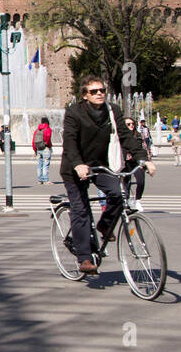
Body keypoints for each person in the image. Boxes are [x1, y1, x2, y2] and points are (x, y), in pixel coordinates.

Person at [60, 75, 153, 275]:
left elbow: (126, 136)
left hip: (101, 165)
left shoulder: (113, 110)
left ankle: (104, 226)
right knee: (81, 210)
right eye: (94, 91)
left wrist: (144, 160)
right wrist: (78, 164)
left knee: (118, 195)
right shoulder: (74, 112)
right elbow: (69, 141)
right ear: (85, 95)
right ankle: (85, 258)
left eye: (102, 90)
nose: (99, 94)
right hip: (75, 168)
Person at [123, 118, 150, 211]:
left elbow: (145, 148)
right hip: (124, 163)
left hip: (137, 162)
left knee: (141, 181)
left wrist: (147, 161)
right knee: (125, 182)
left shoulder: (138, 135)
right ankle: (126, 200)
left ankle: (138, 200)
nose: (131, 125)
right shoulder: (119, 136)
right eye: (128, 124)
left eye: (132, 123)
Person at [32, 116, 54, 184]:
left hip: (38, 149)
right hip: (45, 148)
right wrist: (49, 146)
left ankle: (40, 180)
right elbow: (48, 139)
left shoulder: (37, 130)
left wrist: (35, 150)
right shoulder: (48, 129)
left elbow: (33, 141)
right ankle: (46, 180)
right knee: (46, 165)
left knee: (39, 165)